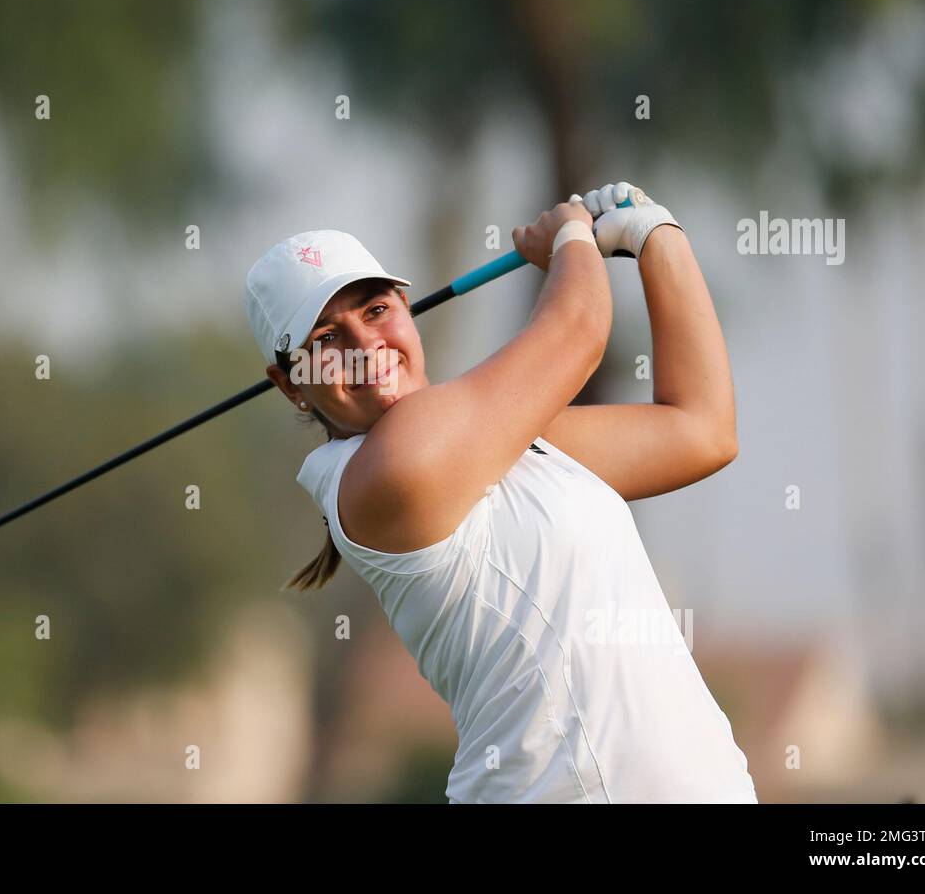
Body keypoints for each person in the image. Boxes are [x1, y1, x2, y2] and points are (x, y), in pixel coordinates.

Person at [244, 182, 758, 803]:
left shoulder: (503, 442)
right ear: (290, 384)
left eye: (376, 310)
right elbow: (578, 331)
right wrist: (569, 237)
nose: (364, 346)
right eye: (326, 339)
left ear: (407, 308)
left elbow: (700, 430)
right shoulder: (387, 473)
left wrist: (658, 236)